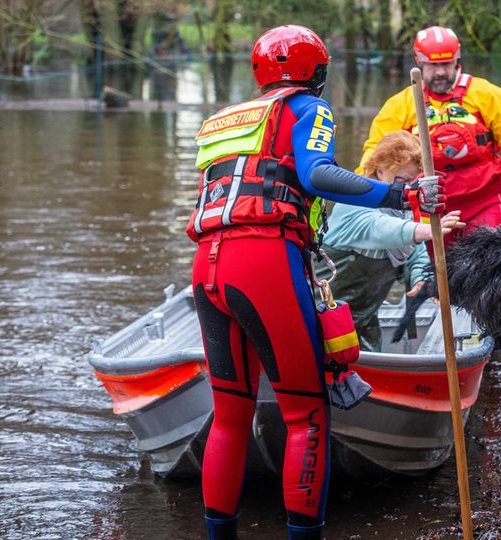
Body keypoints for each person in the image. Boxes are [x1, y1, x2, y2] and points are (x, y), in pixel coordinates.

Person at [186, 25, 444, 540]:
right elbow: (317, 174)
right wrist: (400, 195)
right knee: (306, 416)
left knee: (229, 417)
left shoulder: (222, 120)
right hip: (264, 265)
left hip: (208, 268)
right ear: (315, 72)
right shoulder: (307, 108)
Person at [358, 25, 501, 245]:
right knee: (434, 270)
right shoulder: (401, 105)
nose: (441, 72)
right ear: (420, 63)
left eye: (446, 64)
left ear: (457, 60)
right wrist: (361, 196)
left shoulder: (488, 95)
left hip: (484, 199)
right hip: (429, 204)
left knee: (487, 262)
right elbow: (376, 152)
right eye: (433, 65)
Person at [316, 131, 464, 351]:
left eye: (412, 181)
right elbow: (379, 228)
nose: (407, 188)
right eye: (402, 180)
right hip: (322, 316)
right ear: (379, 171)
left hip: (365, 318)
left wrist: (421, 279)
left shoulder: (402, 209)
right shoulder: (352, 202)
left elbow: (415, 253)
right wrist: (428, 230)